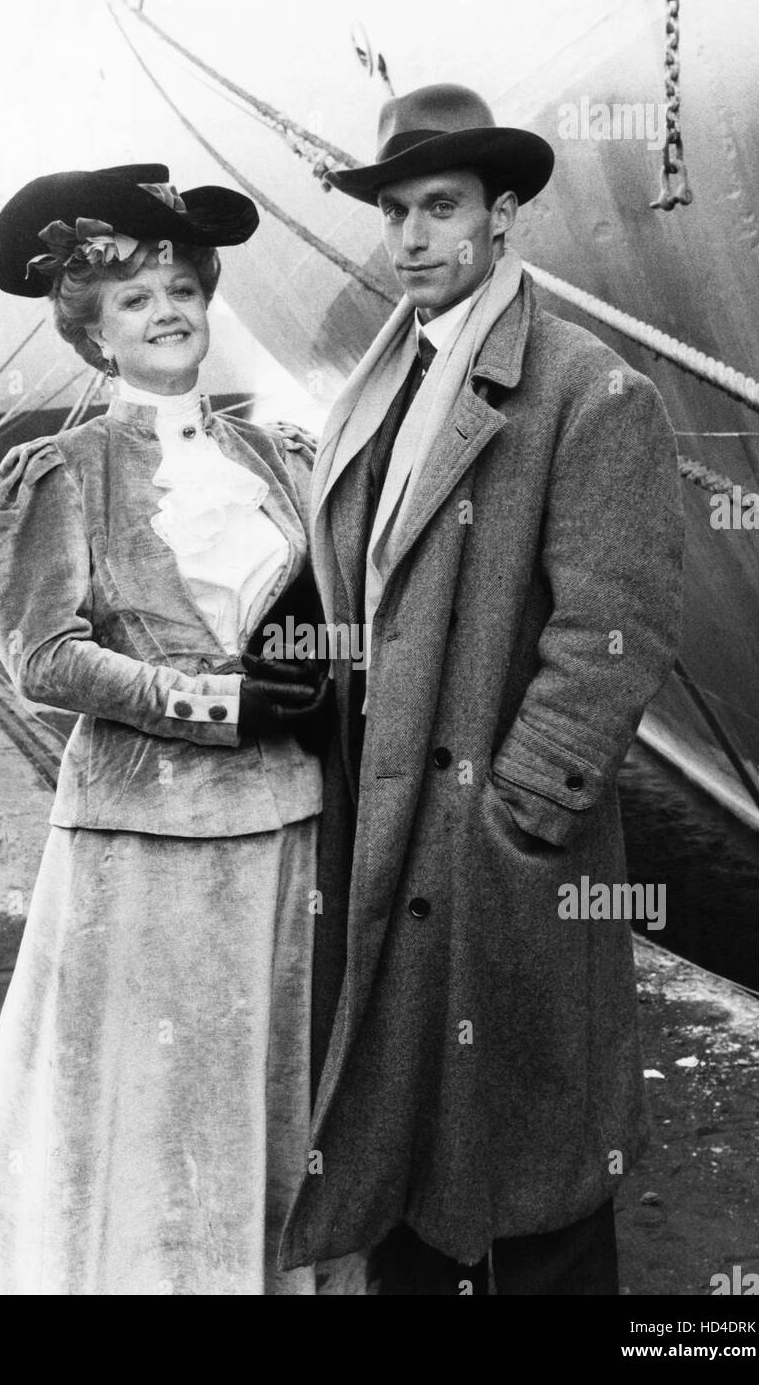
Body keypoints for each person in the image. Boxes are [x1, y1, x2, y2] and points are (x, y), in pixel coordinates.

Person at [276, 85, 685, 1294]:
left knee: (533, 1178)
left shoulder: (584, 386)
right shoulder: (385, 378)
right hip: (383, 837)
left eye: (439, 208)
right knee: (408, 1165)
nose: (409, 237)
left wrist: (512, 817)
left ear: (503, 215)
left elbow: (619, 632)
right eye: (394, 209)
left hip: (493, 862)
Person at [0, 163, 329, 1295]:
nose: (167, 312)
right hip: (141, 844)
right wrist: (215, 703)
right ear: (94, 337)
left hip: (285, 831)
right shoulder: (60, 471)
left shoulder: (279, 461)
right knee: (151, 1110)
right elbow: (44, 657)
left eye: (179, 287)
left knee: (265, 1094)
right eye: (133, 301)